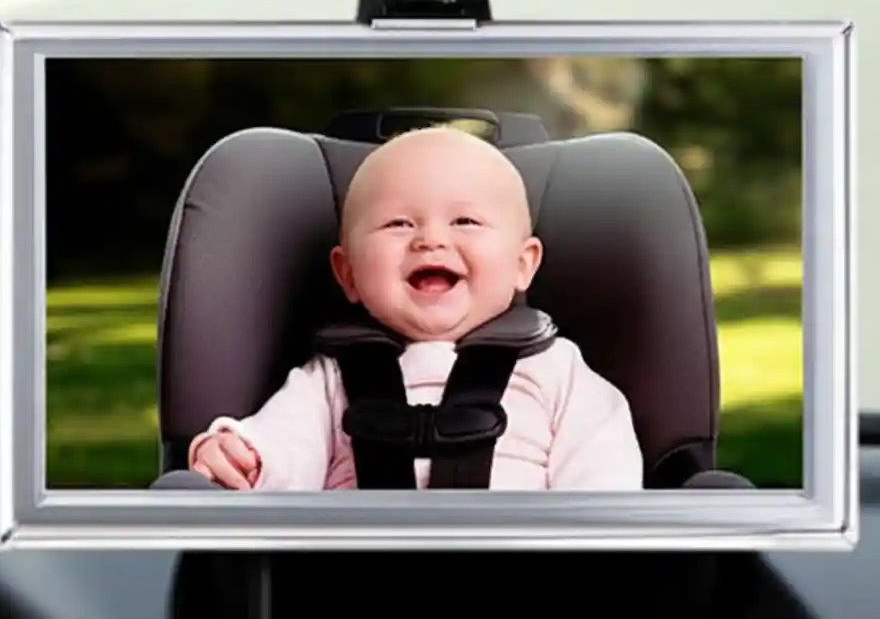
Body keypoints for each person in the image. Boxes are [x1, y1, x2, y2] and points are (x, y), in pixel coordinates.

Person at [185, 126, 643, 490]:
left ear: (522, 265)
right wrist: (242, 455)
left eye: (465, 221)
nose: (431, 239)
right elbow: (284, 446)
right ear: (348, 274)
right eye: (398, 223)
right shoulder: (327, 381)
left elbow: (603, 474)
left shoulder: (559, 373)